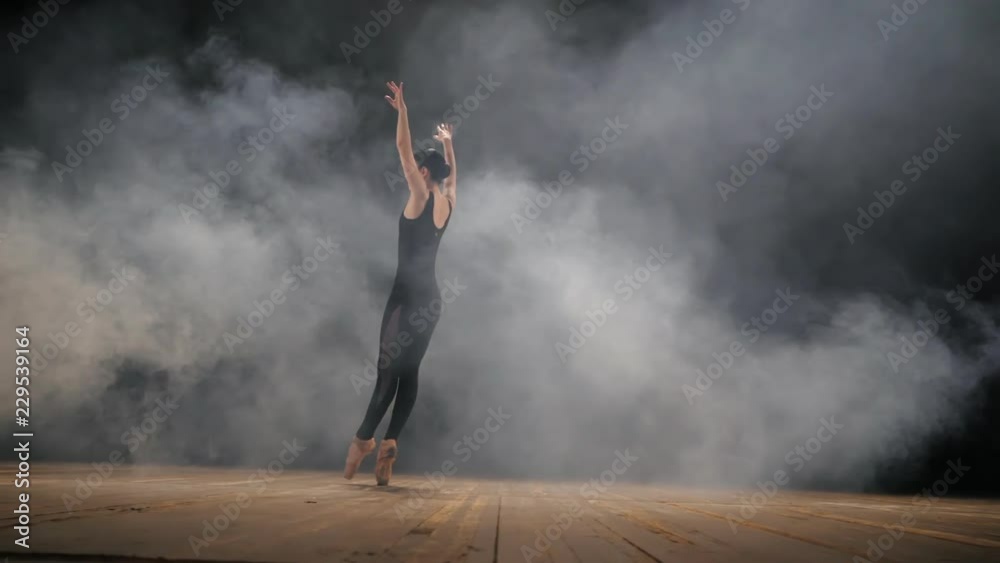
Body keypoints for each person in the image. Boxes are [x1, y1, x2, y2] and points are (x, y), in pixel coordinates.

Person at [344, 81, 457, 486]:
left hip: (405, 300)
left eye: (418, 168)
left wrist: (403, 112)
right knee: (409, 373)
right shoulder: (448, 202)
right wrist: (448, 146)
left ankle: (363, 440)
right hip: (432, 302)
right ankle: (390, 442)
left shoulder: (420, 197)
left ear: (423, 173)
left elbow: (402, 149)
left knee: (386, 373)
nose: (413, 170)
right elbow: (451, 178)